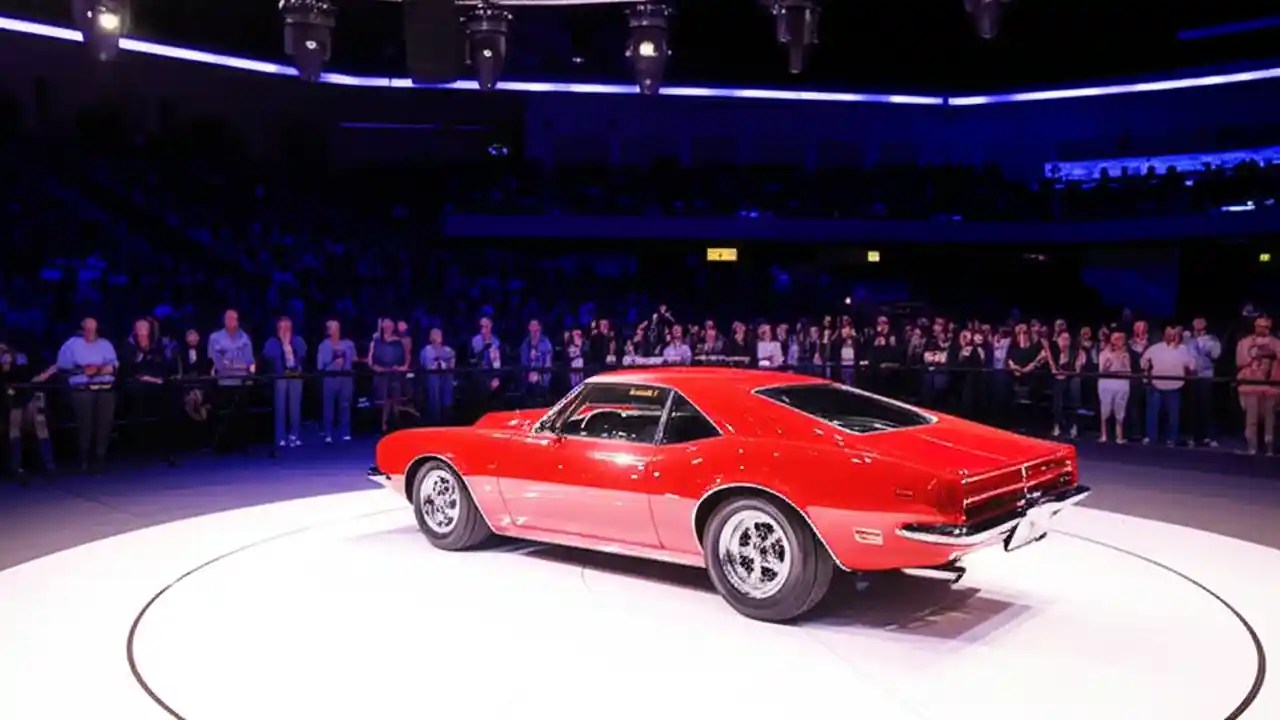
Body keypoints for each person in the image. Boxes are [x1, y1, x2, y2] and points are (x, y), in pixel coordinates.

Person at [56, 317, 119, 471]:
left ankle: (100, 458)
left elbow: (113, 366)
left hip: (105, 388)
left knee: (104, 425)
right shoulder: (71, 345)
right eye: (88, 328)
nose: (91, 331)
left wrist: (97, 369)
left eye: (93, 328)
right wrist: (83, 370)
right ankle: (84, 459)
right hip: (82, 389)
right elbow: (62, 368)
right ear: (82, 328)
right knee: (85, 426)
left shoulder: (105, 344)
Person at [1, 343, 57, 479]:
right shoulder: (5, 368)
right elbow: (6, 383)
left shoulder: (23, 359)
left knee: (41, 427)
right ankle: (16, 467)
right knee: (14, 430)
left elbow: (34, 378)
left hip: (30, 393)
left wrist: (48, 373)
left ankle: (49, 465)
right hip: (12, 397)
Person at [208, 309, 255, 453]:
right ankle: (222, 445)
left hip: (243, 381)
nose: (230, 321)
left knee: (241, 414)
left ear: (238, 320)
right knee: (224, 414)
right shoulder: (215, 337)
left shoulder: (244, 337)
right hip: (224, 381)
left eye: (233, 318)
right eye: (227, 318)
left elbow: (248, 360)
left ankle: (242, 445)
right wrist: (235, 364)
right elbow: (218, 362)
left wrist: (235, 363)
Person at [1140, 325, 1195, 446]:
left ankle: (1172, 439)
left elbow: (1192, 366)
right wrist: (1146, 369)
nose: (1171, 335)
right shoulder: (1155, 348)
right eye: (1169, 333)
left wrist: (1188, 369)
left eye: (1174, 333)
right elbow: (1143, 361)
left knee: (1173, 415)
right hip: (1156, 385)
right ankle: (1151, 437)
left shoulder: (1183, 349)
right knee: (1153, 413)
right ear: (1164, 334)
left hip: (1175, 386)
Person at [1235, 315, 1279, 455]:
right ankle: (1251, 449)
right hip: (1250, 385)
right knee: (1251, 419)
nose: (1261, 329)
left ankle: (1270, 450)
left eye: (1265, 326)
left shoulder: (1277, 343)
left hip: (1271, 387)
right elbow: (1240, 362)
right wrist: (1255, 354)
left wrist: (1270, 354)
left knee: (1270, 420)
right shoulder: (1245, 342)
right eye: (1259, 326)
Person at [263, 316, 308, 448]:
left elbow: (303, 355)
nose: (285, 330)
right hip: (280, 377)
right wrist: (283, 345)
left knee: (295, 407)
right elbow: (268, 356)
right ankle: (280, 437)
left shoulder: (298, 340)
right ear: (278, 328)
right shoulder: (271, 342)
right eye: (282, 328)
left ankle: (294, 436)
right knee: (280, 407)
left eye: (288, 328)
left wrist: (289, 347)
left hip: (295, 376)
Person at [1184, 317, 1222, 447]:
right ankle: (1192, 436)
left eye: (1199, 328)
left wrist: (1207, 348)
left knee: (1206, 406)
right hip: (1191, 376)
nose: (1197, 330)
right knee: (1191, 407)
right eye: (1195, 327)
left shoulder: (1212, 340)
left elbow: (1216, 355)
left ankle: (1209, 436)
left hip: (1206, 376)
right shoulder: (1188, 340)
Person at [317, 320, 356, 443]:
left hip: (345, 377)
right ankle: (328, 433)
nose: (333, 330)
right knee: (328, 406)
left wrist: (348, 359)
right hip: (330, 378)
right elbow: (319, 365)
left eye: (336, 328)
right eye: (331, 328)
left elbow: (354, 358)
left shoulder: (348, 344)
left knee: (345, 405)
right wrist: (332, 360)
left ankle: (345, 431)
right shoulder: (323, 345)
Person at [370, 317, 408, 433]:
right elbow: (370, 360)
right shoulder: (376, 341)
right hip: (381, 375)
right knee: (383, 402)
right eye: (386, 325)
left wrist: (403, 367)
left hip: (395, 374)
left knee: (396, 401)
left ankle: (396, 426)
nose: (388, 328)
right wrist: (375, 367)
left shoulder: (398, 342)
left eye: (390, 325)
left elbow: (406, 358)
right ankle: (382, 427)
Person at [1096, 330, 1132, 444]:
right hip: (1107, 383)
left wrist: (1124, 362)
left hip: (1121, 384)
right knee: (1105, 409)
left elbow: (1128, 371)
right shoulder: (1104, 353)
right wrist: (1107, 365)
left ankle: (1119, 436)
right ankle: (1104, 435)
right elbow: (1102, 370)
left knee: (1120, 410)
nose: (1118, 341)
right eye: (1115, 339)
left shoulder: (1126, 355)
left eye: (1120, 339)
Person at [420, 328, 456, 425]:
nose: (436, 337)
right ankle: (435, 420)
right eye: (434, 335)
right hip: (433, 376)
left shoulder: (448, 350)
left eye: (438, 335)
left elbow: (452, 364)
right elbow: (425, 366)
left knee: (448, 383)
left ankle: (447, 418)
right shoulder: (426, 350)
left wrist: (446, 362)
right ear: (430, 337)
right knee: (433, 382)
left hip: (446, 376)